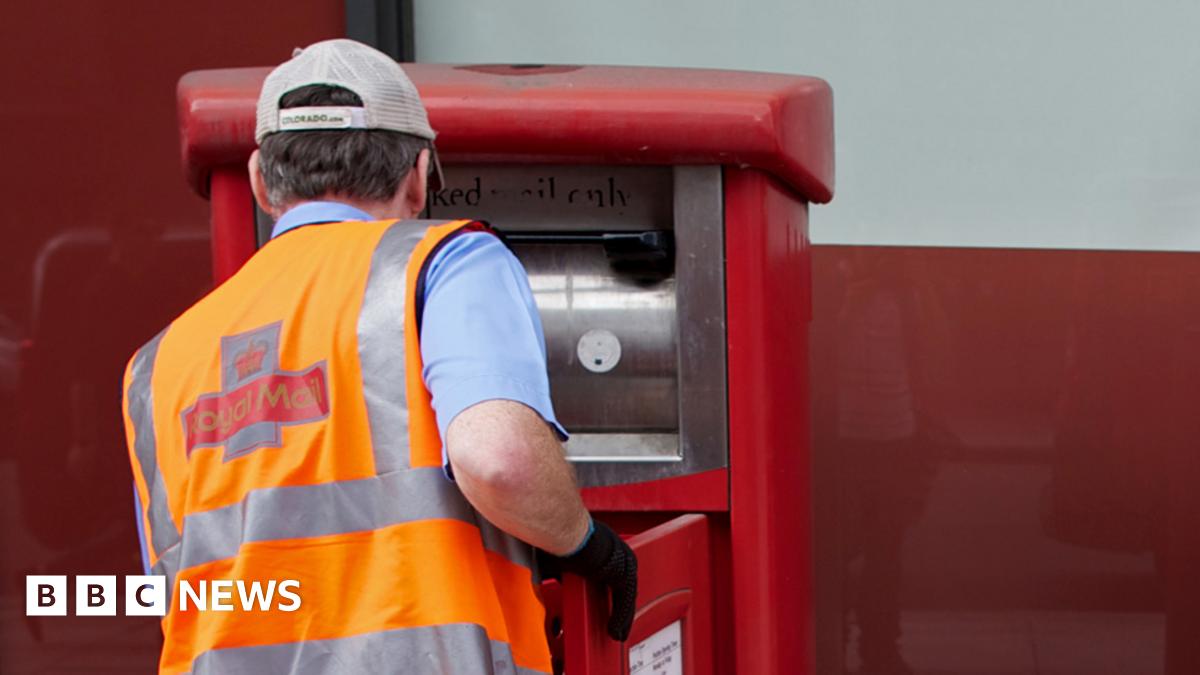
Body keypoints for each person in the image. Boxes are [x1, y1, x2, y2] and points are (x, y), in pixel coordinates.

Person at [121, 38, 636, 675]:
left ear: (261, 179)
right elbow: (500, 462)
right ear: (418, 176)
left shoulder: (155, 365)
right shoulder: (443, 264)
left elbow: (175, 588)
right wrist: (591, 547)